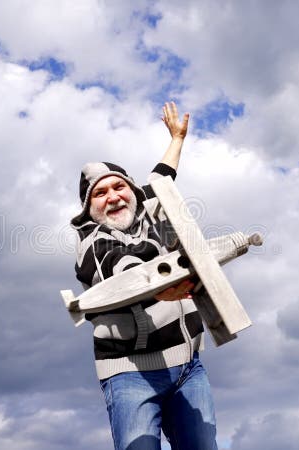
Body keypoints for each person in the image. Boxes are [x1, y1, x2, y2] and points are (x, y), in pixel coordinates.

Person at [70, 102, 218, 450]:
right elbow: (123, 270)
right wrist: (160, 288)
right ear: (89, 209)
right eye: (100, 194)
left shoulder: (148, 211)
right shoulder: (92, 241)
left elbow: (162, 178)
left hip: (188, 368)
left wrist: (177, 139)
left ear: (131, 191)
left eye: (118, 187)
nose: (112, 197)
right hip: (130, 374)